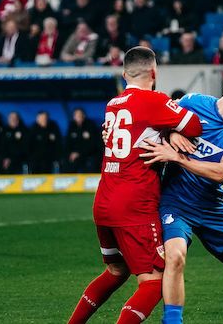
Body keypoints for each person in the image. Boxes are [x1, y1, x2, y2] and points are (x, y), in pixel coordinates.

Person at [67, 47, 203, 324]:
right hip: (135, 204)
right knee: (155, 282)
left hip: (105, 200)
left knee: (116, 271)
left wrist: (164, 131)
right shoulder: (155, 101)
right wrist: (172, 132)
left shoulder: (113, 104)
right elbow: (195, 126)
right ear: (154, 72)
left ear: (123, 74)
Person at [140, 68, 223, 324]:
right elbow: (158, 121)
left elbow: (221, 172)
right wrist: (173, 132)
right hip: (175, 203)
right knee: (175, 257)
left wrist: (178, 158)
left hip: (213, 207)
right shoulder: (193, 102)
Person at [64, 108, 100, 173]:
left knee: (91, 162)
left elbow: (94, 144)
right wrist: (70, 154)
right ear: (74, 117)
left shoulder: (90, 125)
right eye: (76, 115)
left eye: (80, 114)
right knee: (67, 162)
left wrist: (79, 153)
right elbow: (68, 143)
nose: (78, 116)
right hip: (74, 155)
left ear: (84, 115)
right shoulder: (71, 126)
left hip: (88, 155)